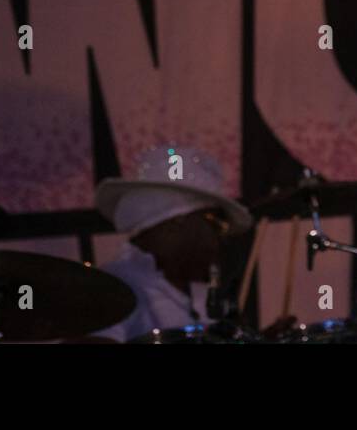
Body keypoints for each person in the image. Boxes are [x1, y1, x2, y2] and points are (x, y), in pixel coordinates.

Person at [91, 146, 251, 342]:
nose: (221, 238)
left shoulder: (199, 294)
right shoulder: (112, 290)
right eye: (216, 224)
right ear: (176, 224)